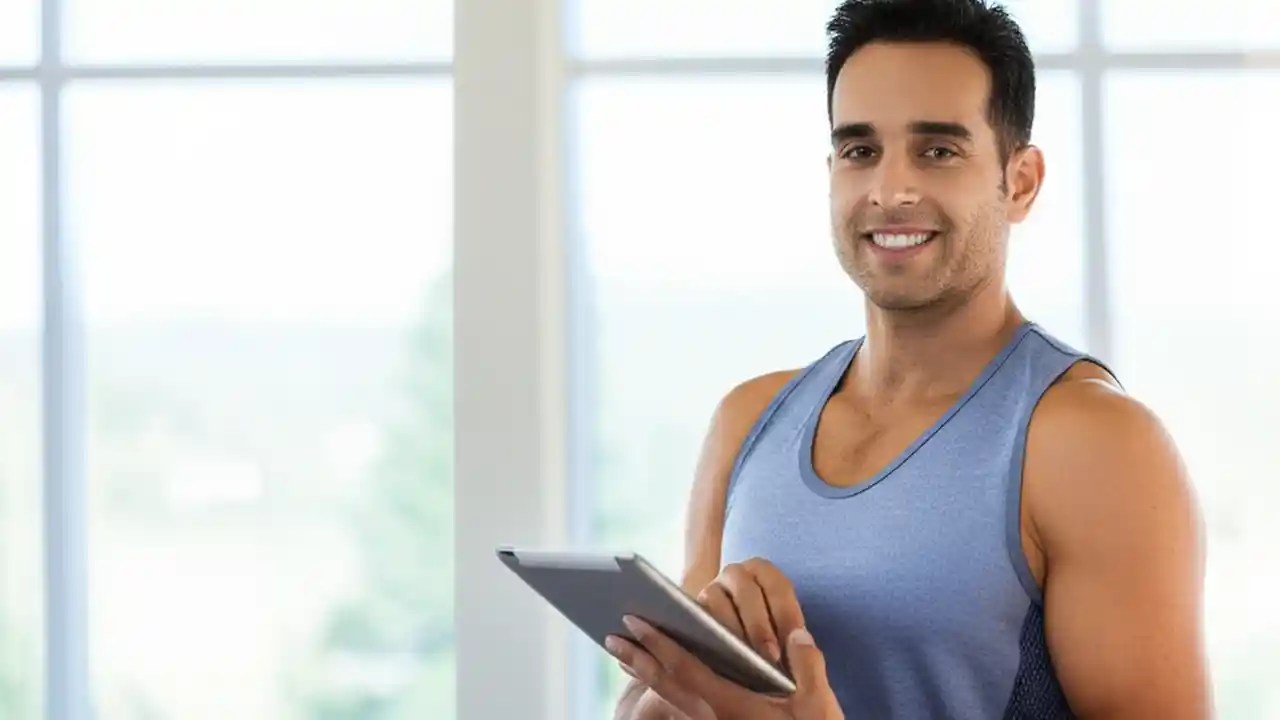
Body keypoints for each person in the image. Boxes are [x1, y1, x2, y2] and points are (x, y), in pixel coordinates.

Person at [606, 1, 1212, 718]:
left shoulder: (1094, 443)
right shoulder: (748, 423)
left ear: (1019, 181)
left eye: (938, 151)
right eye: (861, 150)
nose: (890, 191)